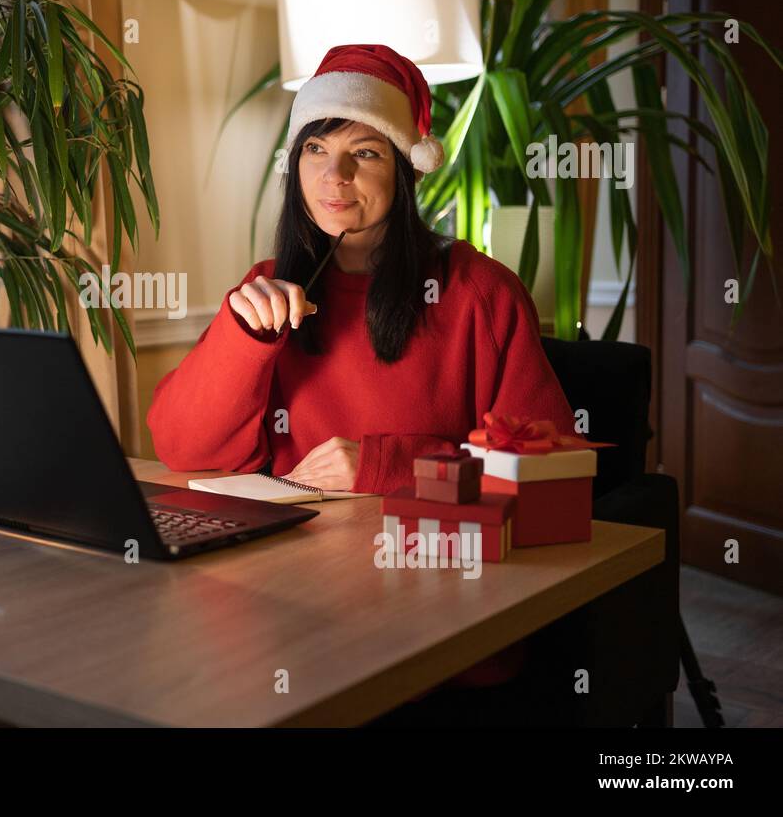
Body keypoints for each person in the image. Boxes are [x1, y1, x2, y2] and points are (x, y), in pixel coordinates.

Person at [147, 43, 578, 688]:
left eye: (365, 153)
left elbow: (553, 484)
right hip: (283, 597)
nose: (333, 176)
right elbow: (184, 449)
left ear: (406, 171)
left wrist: (391, 467)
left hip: (432, 618)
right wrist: (243, 338)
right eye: (315, 151)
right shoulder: (266, 289)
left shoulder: (479, 294)